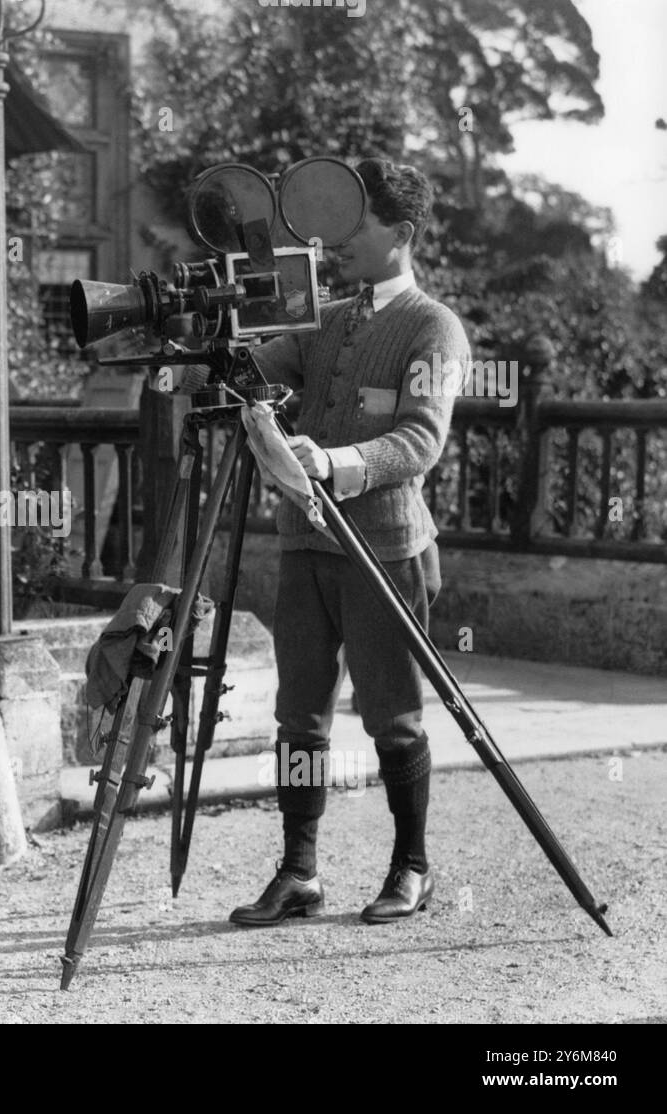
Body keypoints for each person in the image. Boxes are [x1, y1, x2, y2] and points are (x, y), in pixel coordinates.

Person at [228, 158, 470, 927]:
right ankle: (299, 872)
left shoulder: (434, 327)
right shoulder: (325, 316)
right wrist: (212, 348)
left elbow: (421, 441)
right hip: (306, 543)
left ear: (400, 234)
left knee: (392, 717)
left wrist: (333, 462)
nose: (337, 236)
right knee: (298, 716)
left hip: (385, 549)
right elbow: (254, 375)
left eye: (356, 223)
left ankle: (413, 867)